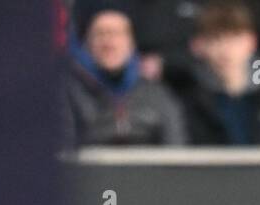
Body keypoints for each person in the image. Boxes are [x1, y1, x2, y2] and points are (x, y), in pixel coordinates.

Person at [164, 0, 260, 145]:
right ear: (200, 46)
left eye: (234, 38)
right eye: (216, 39)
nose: (225, 50)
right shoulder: (187, 106)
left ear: (251, 42)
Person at [65, 5, 188, 146]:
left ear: (131, 43)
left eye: (116, 33)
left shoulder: (159, 96)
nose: (108, 42)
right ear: (87, 44)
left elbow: (176, 152)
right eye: (100, 34)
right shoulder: (71, 97)